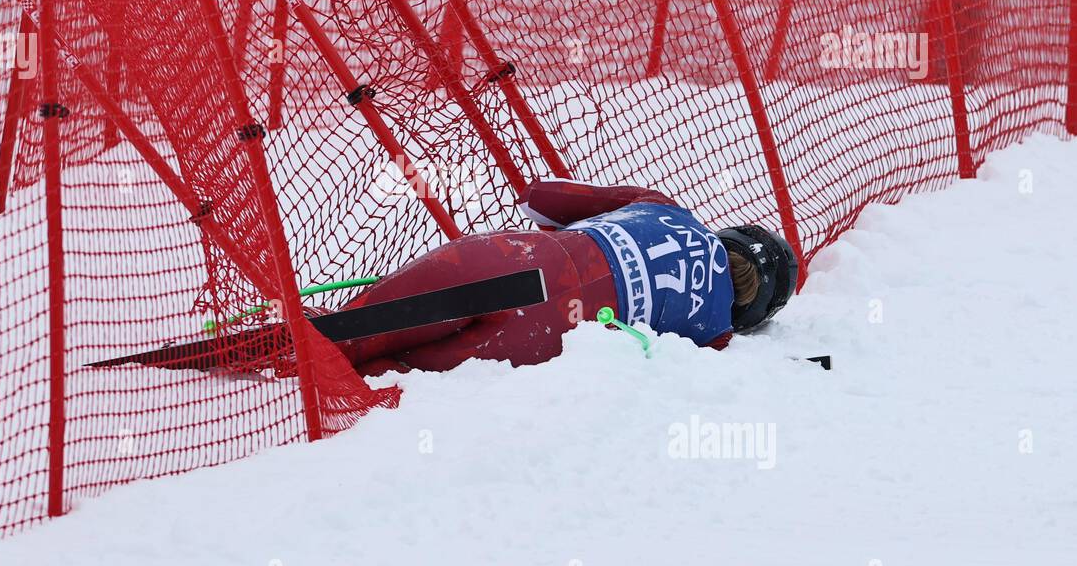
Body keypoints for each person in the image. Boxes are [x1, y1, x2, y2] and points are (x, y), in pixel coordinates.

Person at [335, 179, 798, 376]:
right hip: (544, 332)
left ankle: (277, 346)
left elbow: (540, 197)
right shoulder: (715, 334)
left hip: (514, 260)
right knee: (377, 376)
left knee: (340, 335)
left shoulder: (665, 207)